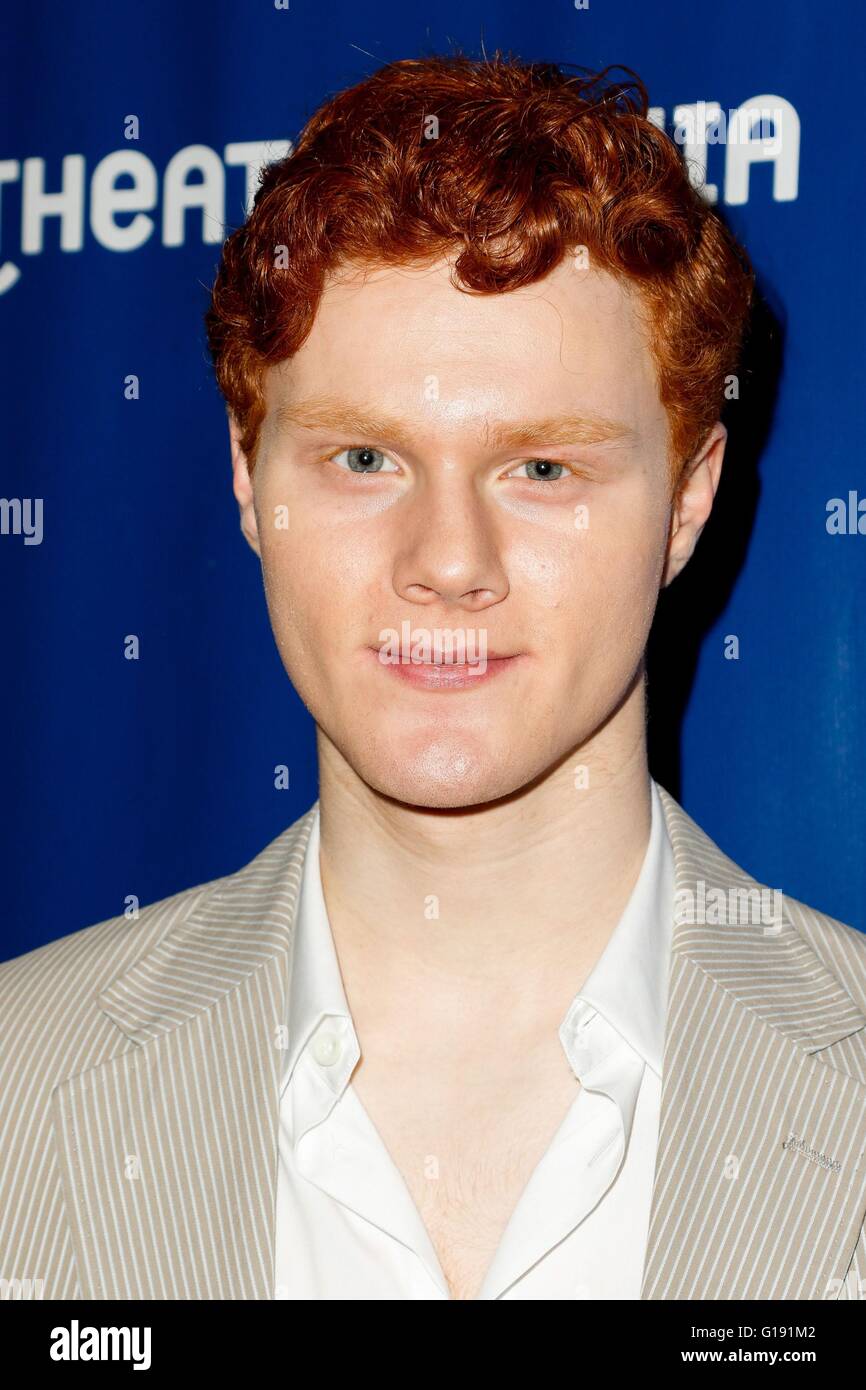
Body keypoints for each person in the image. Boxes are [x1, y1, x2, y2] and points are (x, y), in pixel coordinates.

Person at [2, 54, 865, 1303]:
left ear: (687, 502)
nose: (446, 562)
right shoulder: (20, 1087)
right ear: (249, 481)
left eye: (542, 469)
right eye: (363, 457)